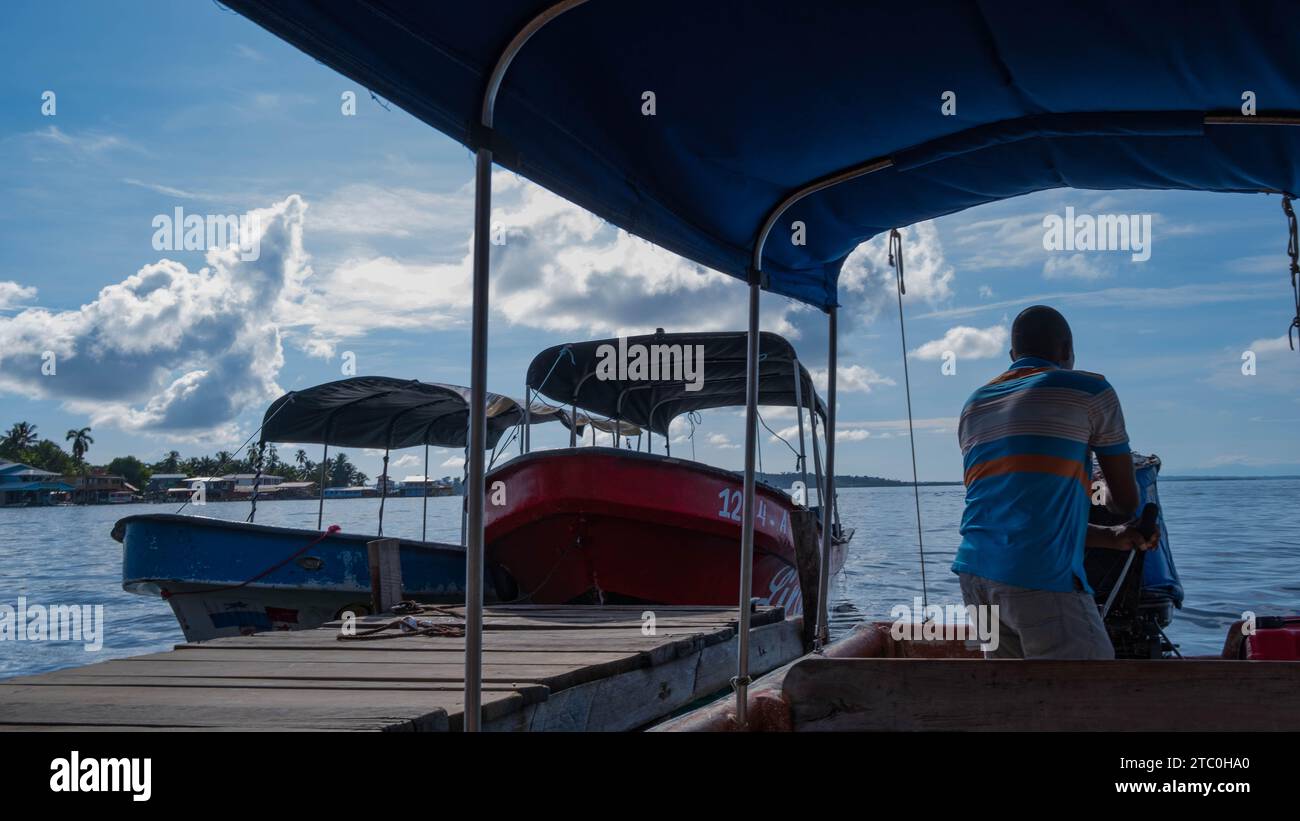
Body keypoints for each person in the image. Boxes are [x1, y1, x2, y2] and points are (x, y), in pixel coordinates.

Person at [952, 305, 1158, 659]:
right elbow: (1123, 503)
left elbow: (1021, 514)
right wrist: (1104, 490)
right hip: (1040, 578)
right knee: (1088, 698)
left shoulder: (975, 405)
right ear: (1066, 351)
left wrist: (1111, 537)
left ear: (1013, 356)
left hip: (975, 577)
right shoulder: (1089, 389)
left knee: (1010, 700)